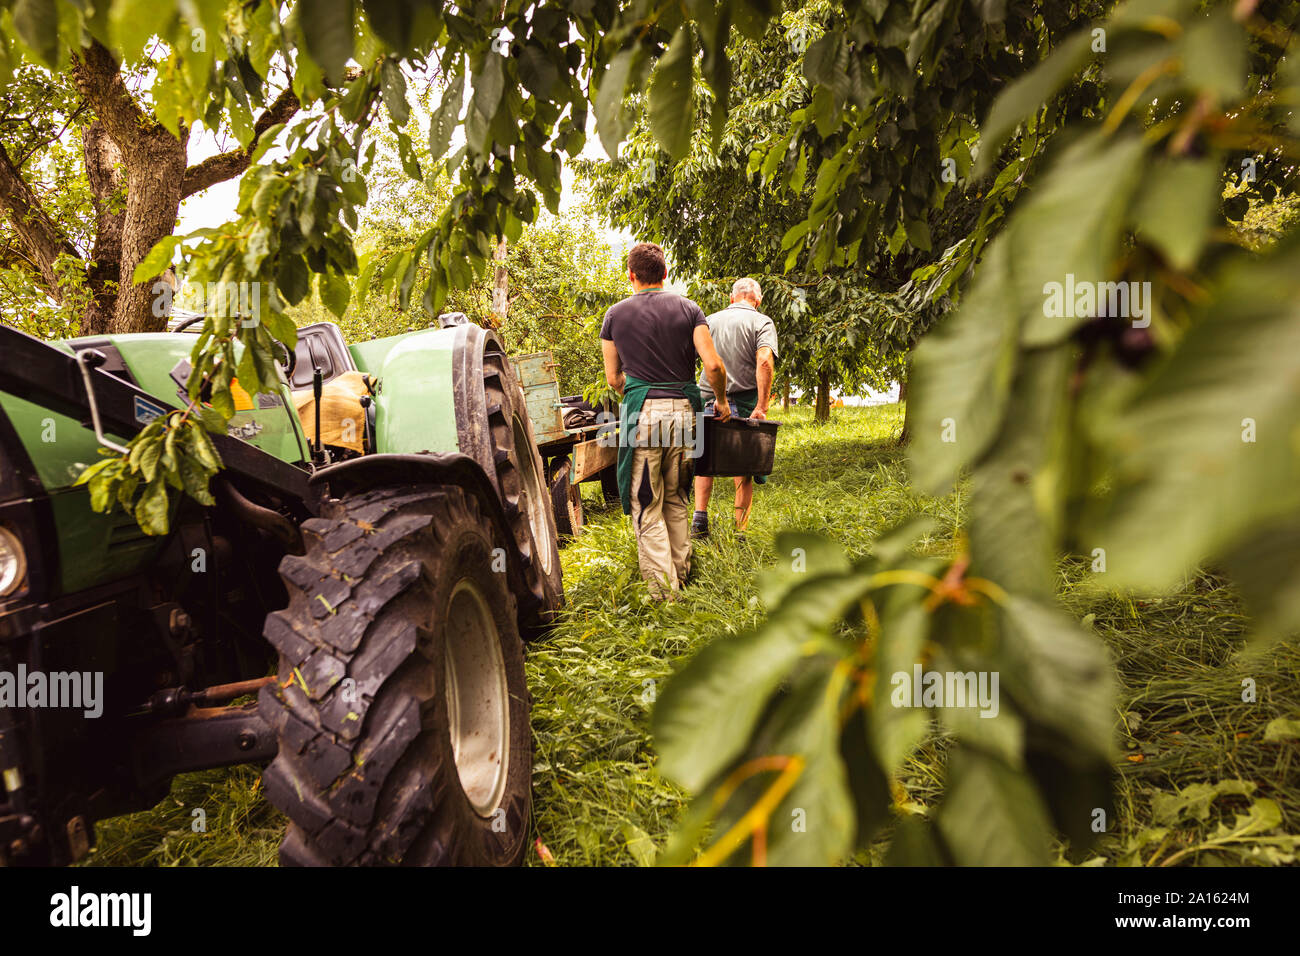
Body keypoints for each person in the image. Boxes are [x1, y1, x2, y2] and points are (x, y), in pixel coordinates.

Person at [600, 242, 730, 600]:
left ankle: (663, 593)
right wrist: (720, 400)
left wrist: (641, 386)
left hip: (643, 414)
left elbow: (614, 379)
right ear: (665, 274)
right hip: (686, 416)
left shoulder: (614, 316)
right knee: (676, 495)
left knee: (646, 501)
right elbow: (714, 366)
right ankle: (682, 572)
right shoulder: (690, 309)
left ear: (631, 276)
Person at [691, 277, 778, 541]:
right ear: (758, 300)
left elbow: (690, 358)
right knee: (744, 469)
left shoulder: (707, 321)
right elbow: (764, 361)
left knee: (704, 462)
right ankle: (740, 532)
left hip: (706, 400)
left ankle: (699, 522)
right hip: (744, 401)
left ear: (732, 298)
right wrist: (762, 406)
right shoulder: (762, 322)